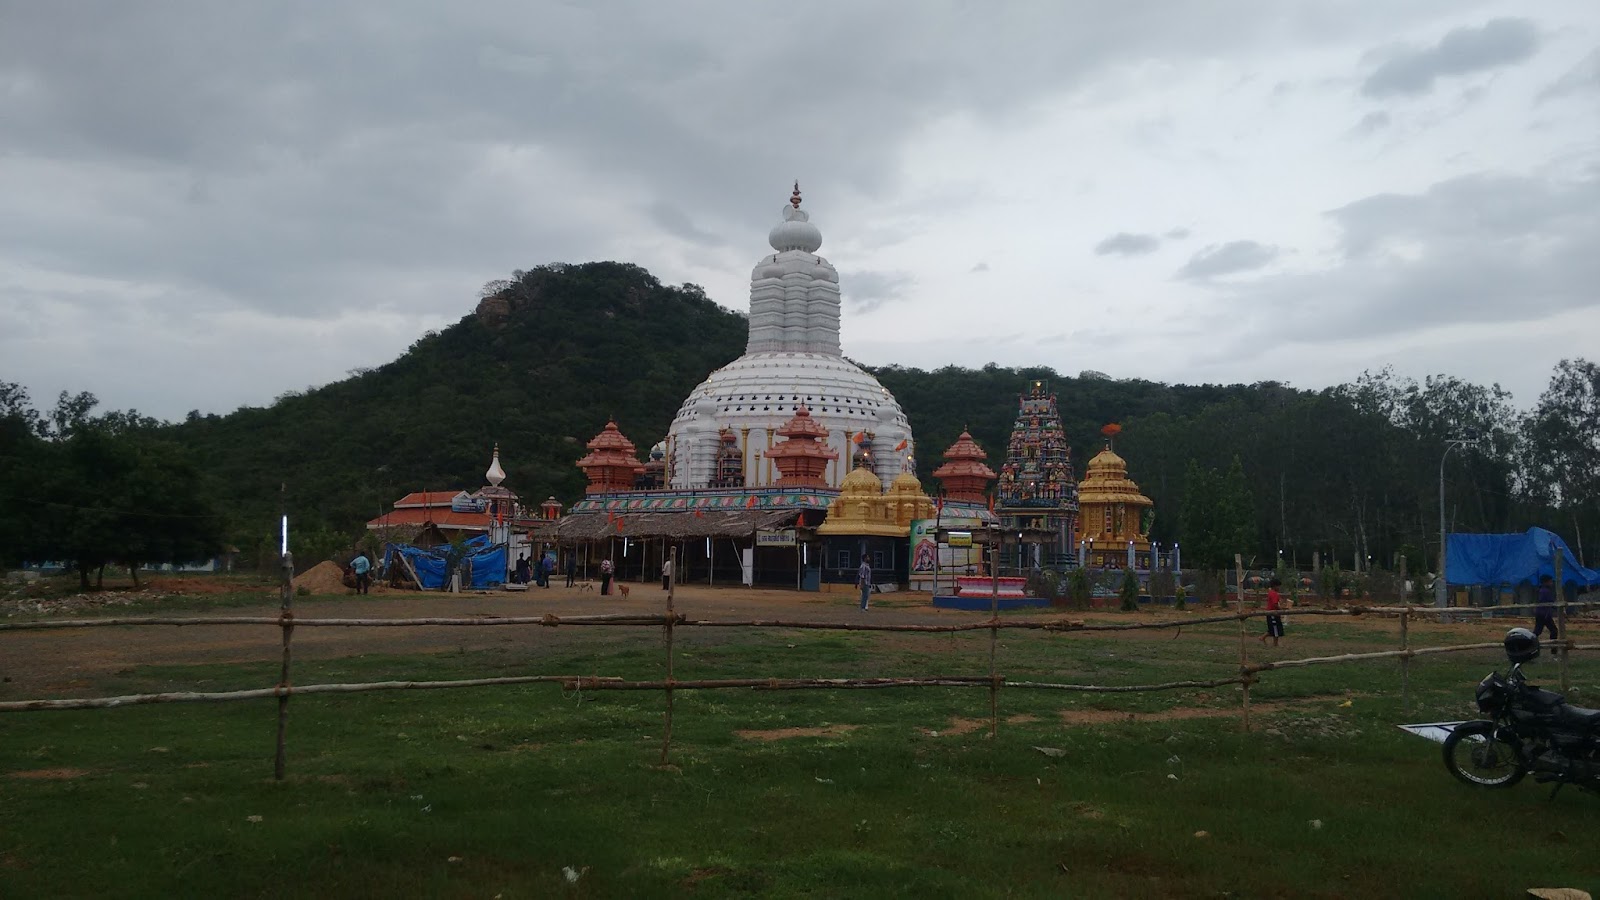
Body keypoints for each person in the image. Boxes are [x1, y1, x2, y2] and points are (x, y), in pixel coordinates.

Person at [1533, 574, 1559, 641]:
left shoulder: (1541, 590)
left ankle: (1531, 643)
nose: (1551, 583)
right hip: (1544, 614)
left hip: (1541, 614)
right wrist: (1557, 608)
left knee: (1537, 631)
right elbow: (1549, 602)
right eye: (1550, 581)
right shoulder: (1545, 591)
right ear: (1546, 582)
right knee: (1553, 630)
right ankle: (1553, 648)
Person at [1259, 577, 1283, 646]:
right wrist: (1280, 610)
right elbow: (1275, 604)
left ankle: (1262, 637)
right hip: (1273, 613)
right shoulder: (1274, 594)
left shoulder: (1272, 593)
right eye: (1278, 586)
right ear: (1275, 586)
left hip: (1273, 613)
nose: (1279, 588)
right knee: (1275, 629)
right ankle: (1275, 643)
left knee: (1273, 628)